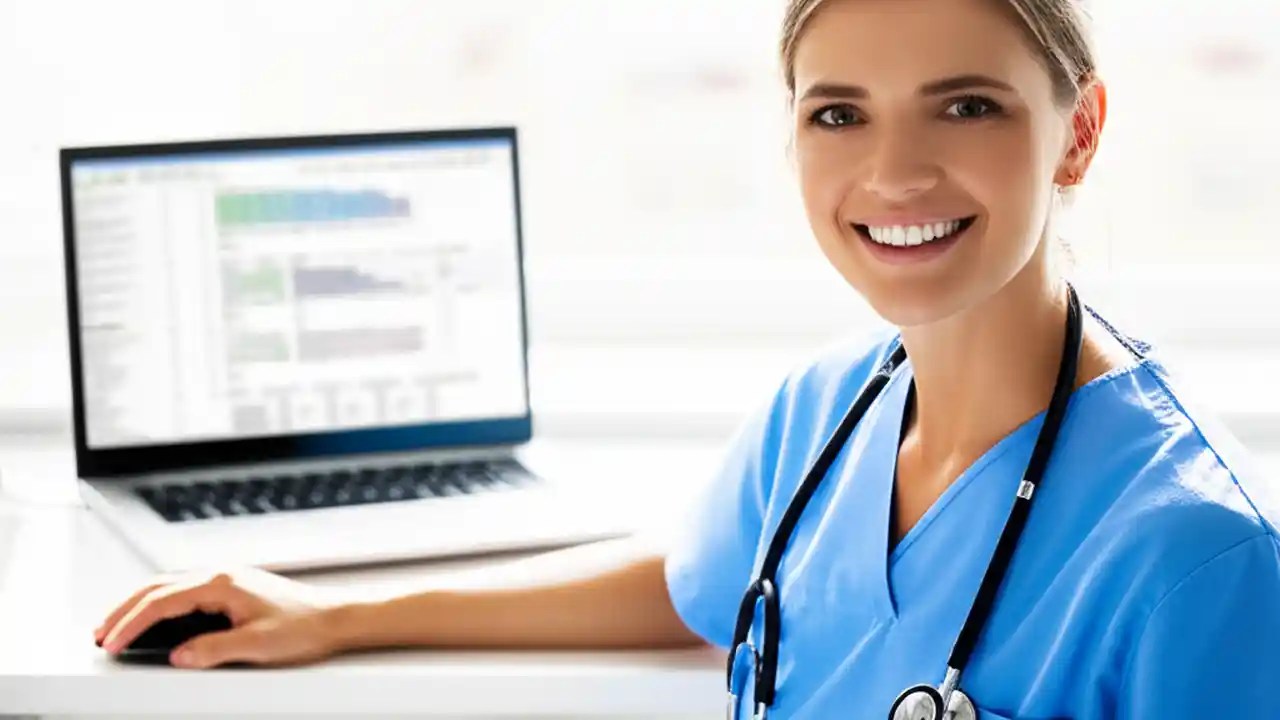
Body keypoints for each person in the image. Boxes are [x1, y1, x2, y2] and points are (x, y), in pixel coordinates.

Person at [95, 0, 1280, 717]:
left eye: (965, 106)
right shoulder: (824, 414)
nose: (895, 172)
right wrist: (338, 615)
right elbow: (700, 584)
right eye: (837, 113)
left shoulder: (1198, 559)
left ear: (1076, 131)